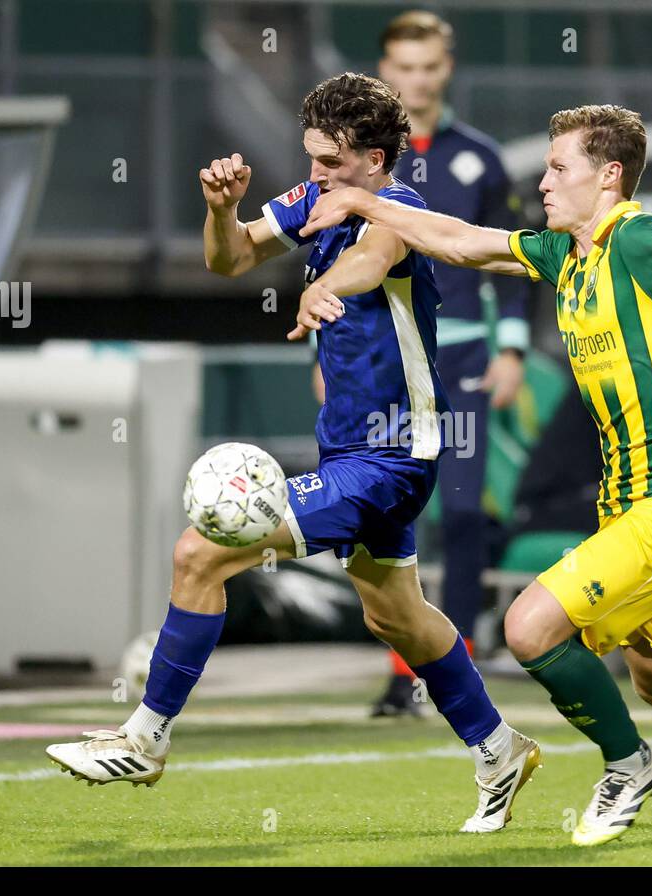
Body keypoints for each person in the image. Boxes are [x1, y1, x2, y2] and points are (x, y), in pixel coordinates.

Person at [303, 104, 652, 845]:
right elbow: (459, 241)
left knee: (530, 624)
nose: (544, 182)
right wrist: (359, 200)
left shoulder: (638, 240)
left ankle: (627, 763)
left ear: (609, 176)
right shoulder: (565, 254)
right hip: (631, 506)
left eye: (558, 168)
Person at [47, 74, 541, 834]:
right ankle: (500, 746)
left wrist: (322, 291)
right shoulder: (313, 202)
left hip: (392, 455)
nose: (316, 174)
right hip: (349, 446)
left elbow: (372, 261)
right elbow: (231, 260)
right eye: (311, 157)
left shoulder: (398, 208)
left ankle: (143, 739)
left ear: (376, 161)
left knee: (200, 553)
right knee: (399, 618)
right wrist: (223, 213)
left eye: (332, 163)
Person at [352, 10, 531, 717]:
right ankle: (403, 676)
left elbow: (509, 262)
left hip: (462, 359)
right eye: (404, 68)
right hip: (381, 358)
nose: (417, 81)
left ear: (446, 70)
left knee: (459, 516)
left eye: (429, 68)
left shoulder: (481, 159)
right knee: (387, 520)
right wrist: (320, 350)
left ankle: (445, 675)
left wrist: (512, 348)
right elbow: (327, 260)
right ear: (384, 71)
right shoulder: (358, 160)